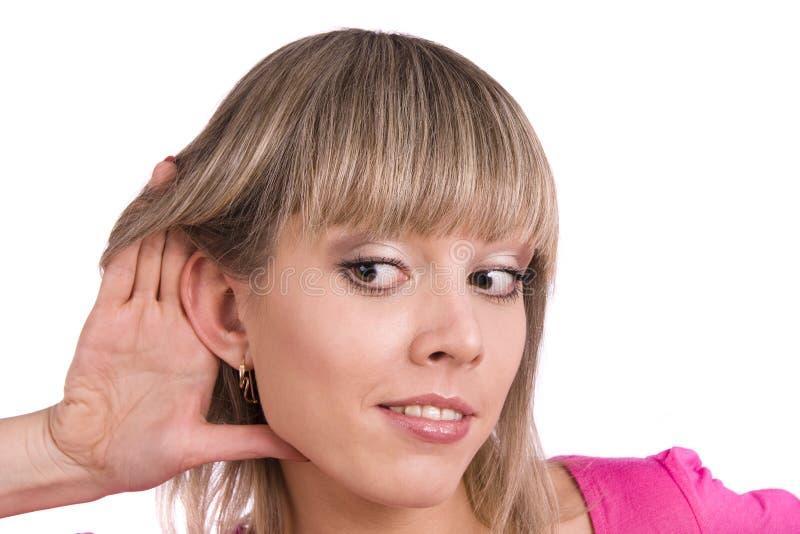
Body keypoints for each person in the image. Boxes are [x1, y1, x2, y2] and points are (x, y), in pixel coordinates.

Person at [0, 27, 797, 534]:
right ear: (228, 310)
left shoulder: (673, 520)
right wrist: (65, 453)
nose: (461, 339)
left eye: (494, 277)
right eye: (375, 270)